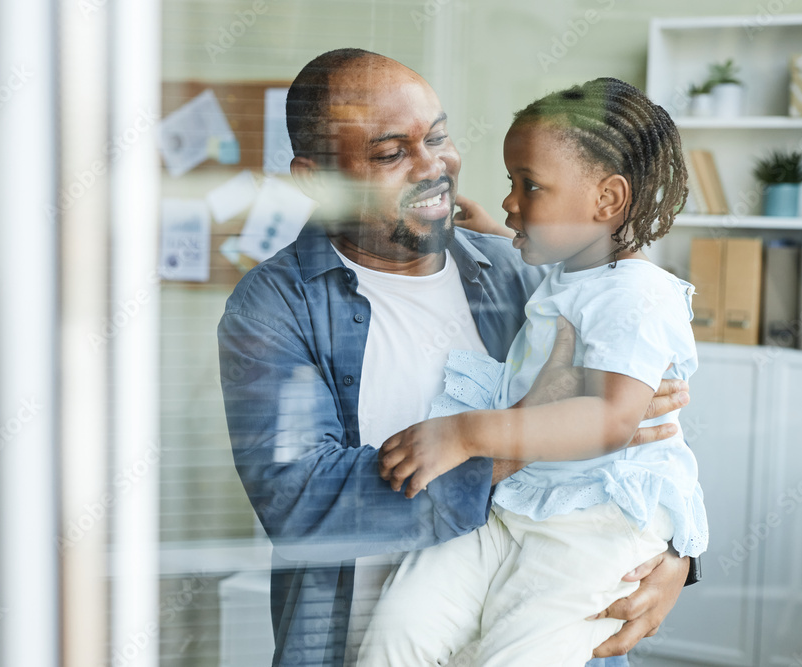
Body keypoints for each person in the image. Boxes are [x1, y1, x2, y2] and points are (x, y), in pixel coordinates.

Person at [218, 49, 696, 667]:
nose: (432, 167)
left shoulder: (523, 272)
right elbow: (301, 504)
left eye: (438, 137)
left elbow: (644, 433)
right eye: (391, 154)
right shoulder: (274, 309)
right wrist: (512, 441)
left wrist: (678, 556)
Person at [356, 77, 707, 666]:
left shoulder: (640, 295)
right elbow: (557, 295)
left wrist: (467, 433)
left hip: (592, 521)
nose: (510, 202)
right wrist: (499, 235)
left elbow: (613, 419)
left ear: (607, 200)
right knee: (399, 631)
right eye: (511, 183)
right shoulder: (579, 273)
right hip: (516, 505)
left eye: (530, 186)